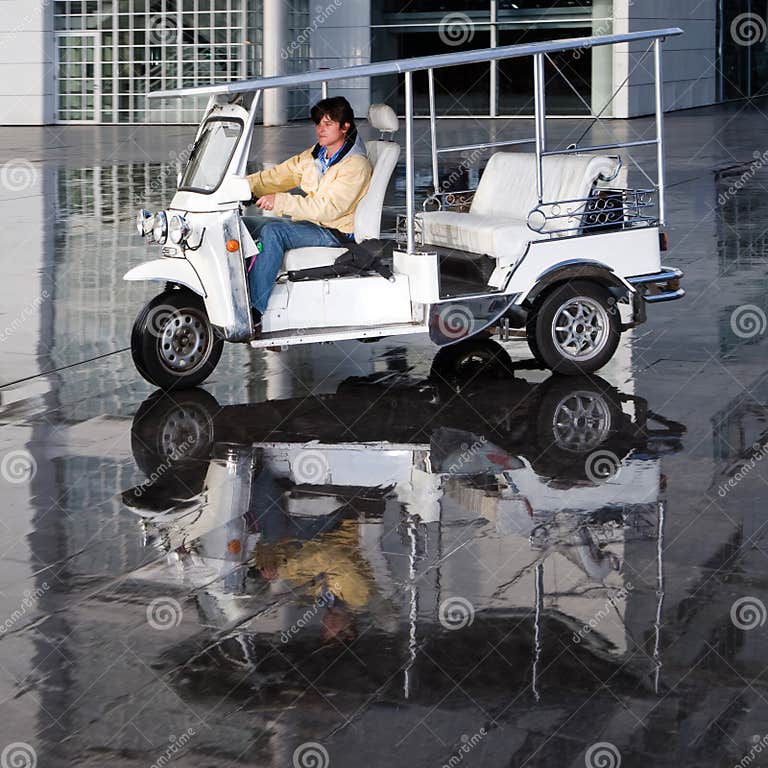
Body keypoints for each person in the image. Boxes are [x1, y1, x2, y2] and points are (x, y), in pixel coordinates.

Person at [243, 96, 372, 334]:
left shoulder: (355, 165)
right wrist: (241, 186)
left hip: (336, 233)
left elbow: (327, 208)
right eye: (318, 123)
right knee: (242, 225)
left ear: (345, 127)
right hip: (311, 224)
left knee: (273, 231)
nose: (320, 129)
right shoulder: (316, 155)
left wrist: (280, 201)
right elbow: (278, 176)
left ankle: (253, 312)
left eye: (328, 123)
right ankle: (238, 291)